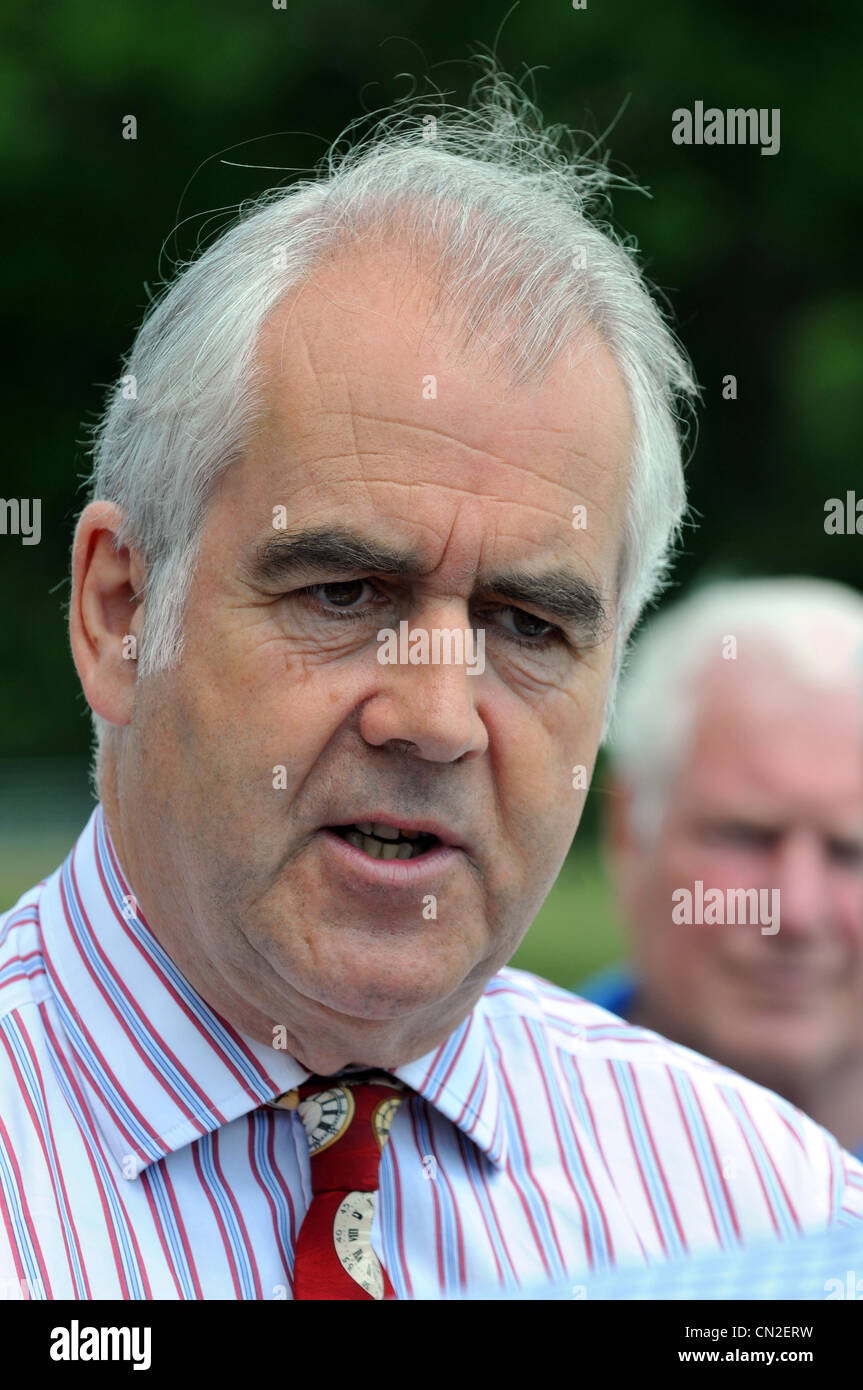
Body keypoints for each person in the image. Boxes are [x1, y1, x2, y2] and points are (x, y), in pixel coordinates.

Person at [2, 73, 861, 1302]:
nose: (437, 716)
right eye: (344, 594)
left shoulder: (773, 1223)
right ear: (121, 612)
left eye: (527, 624)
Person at [580, 578, 863, 1160]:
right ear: (630, 830)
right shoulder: (463, 1154)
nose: (796, 912)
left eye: (849, 850)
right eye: (745, 836)